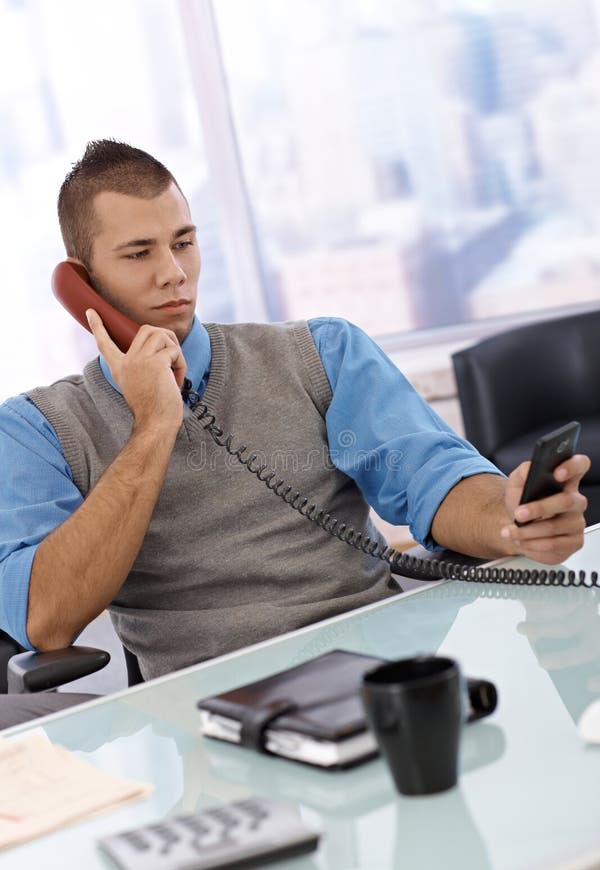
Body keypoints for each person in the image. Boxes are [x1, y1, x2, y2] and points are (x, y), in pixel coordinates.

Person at [0, 140, 590, 729]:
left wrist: (511, 518)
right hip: (216, 718)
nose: (173, 273)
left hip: (382, 675)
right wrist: (154, 425)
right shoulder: (36, 429)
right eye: (138, 254)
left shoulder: (320, 352)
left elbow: (433, 477)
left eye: (183, 242)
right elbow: (46, 620)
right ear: (80, 283)